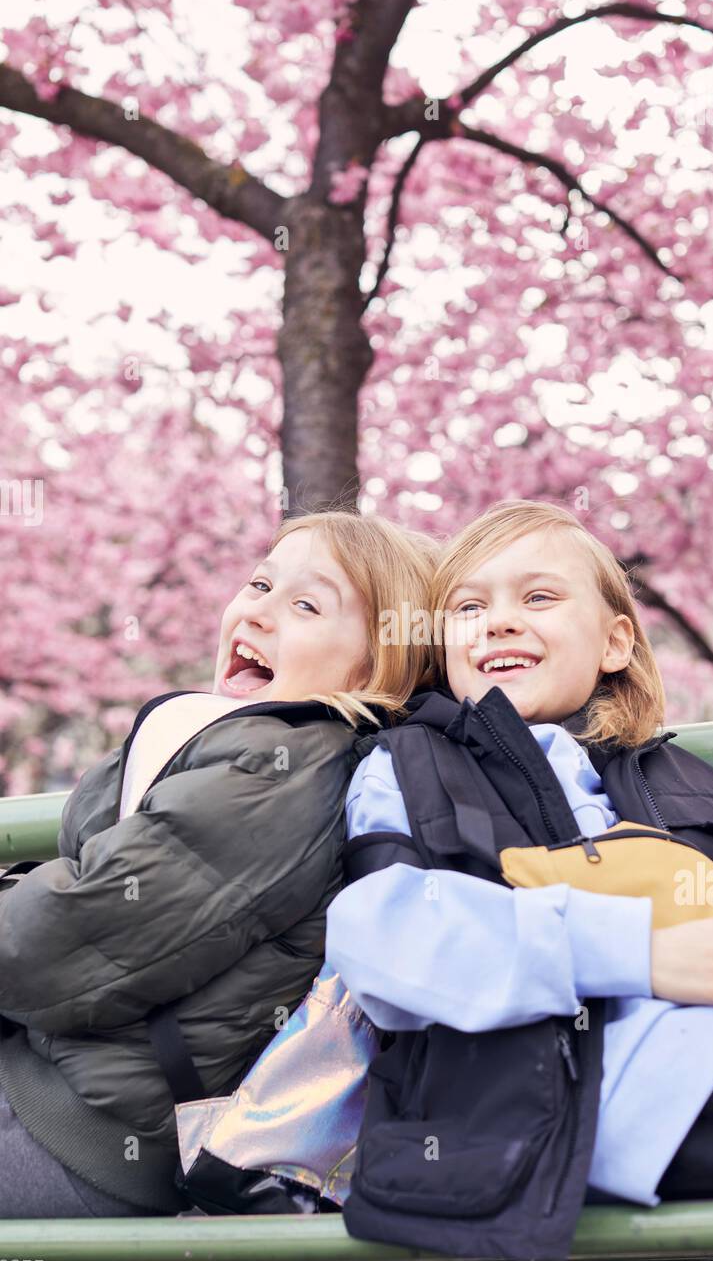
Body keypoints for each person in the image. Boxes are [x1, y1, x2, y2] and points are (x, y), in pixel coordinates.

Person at [326, 498, 713, 1240]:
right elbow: (385, 938)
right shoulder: (411, 770)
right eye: (468, 606)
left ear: (616, 642)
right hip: (575, 1097)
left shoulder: (712, 794)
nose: (500, 620)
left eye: (539, 596)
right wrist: (638, 952)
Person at [0, 508, 436, 1219]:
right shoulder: (252, 749)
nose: (260, 612)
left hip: (79, 1130)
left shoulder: (286, 767)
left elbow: (63, 941)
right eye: (261, 584)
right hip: (58, 1090)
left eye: (305, 604)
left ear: (378, 666)